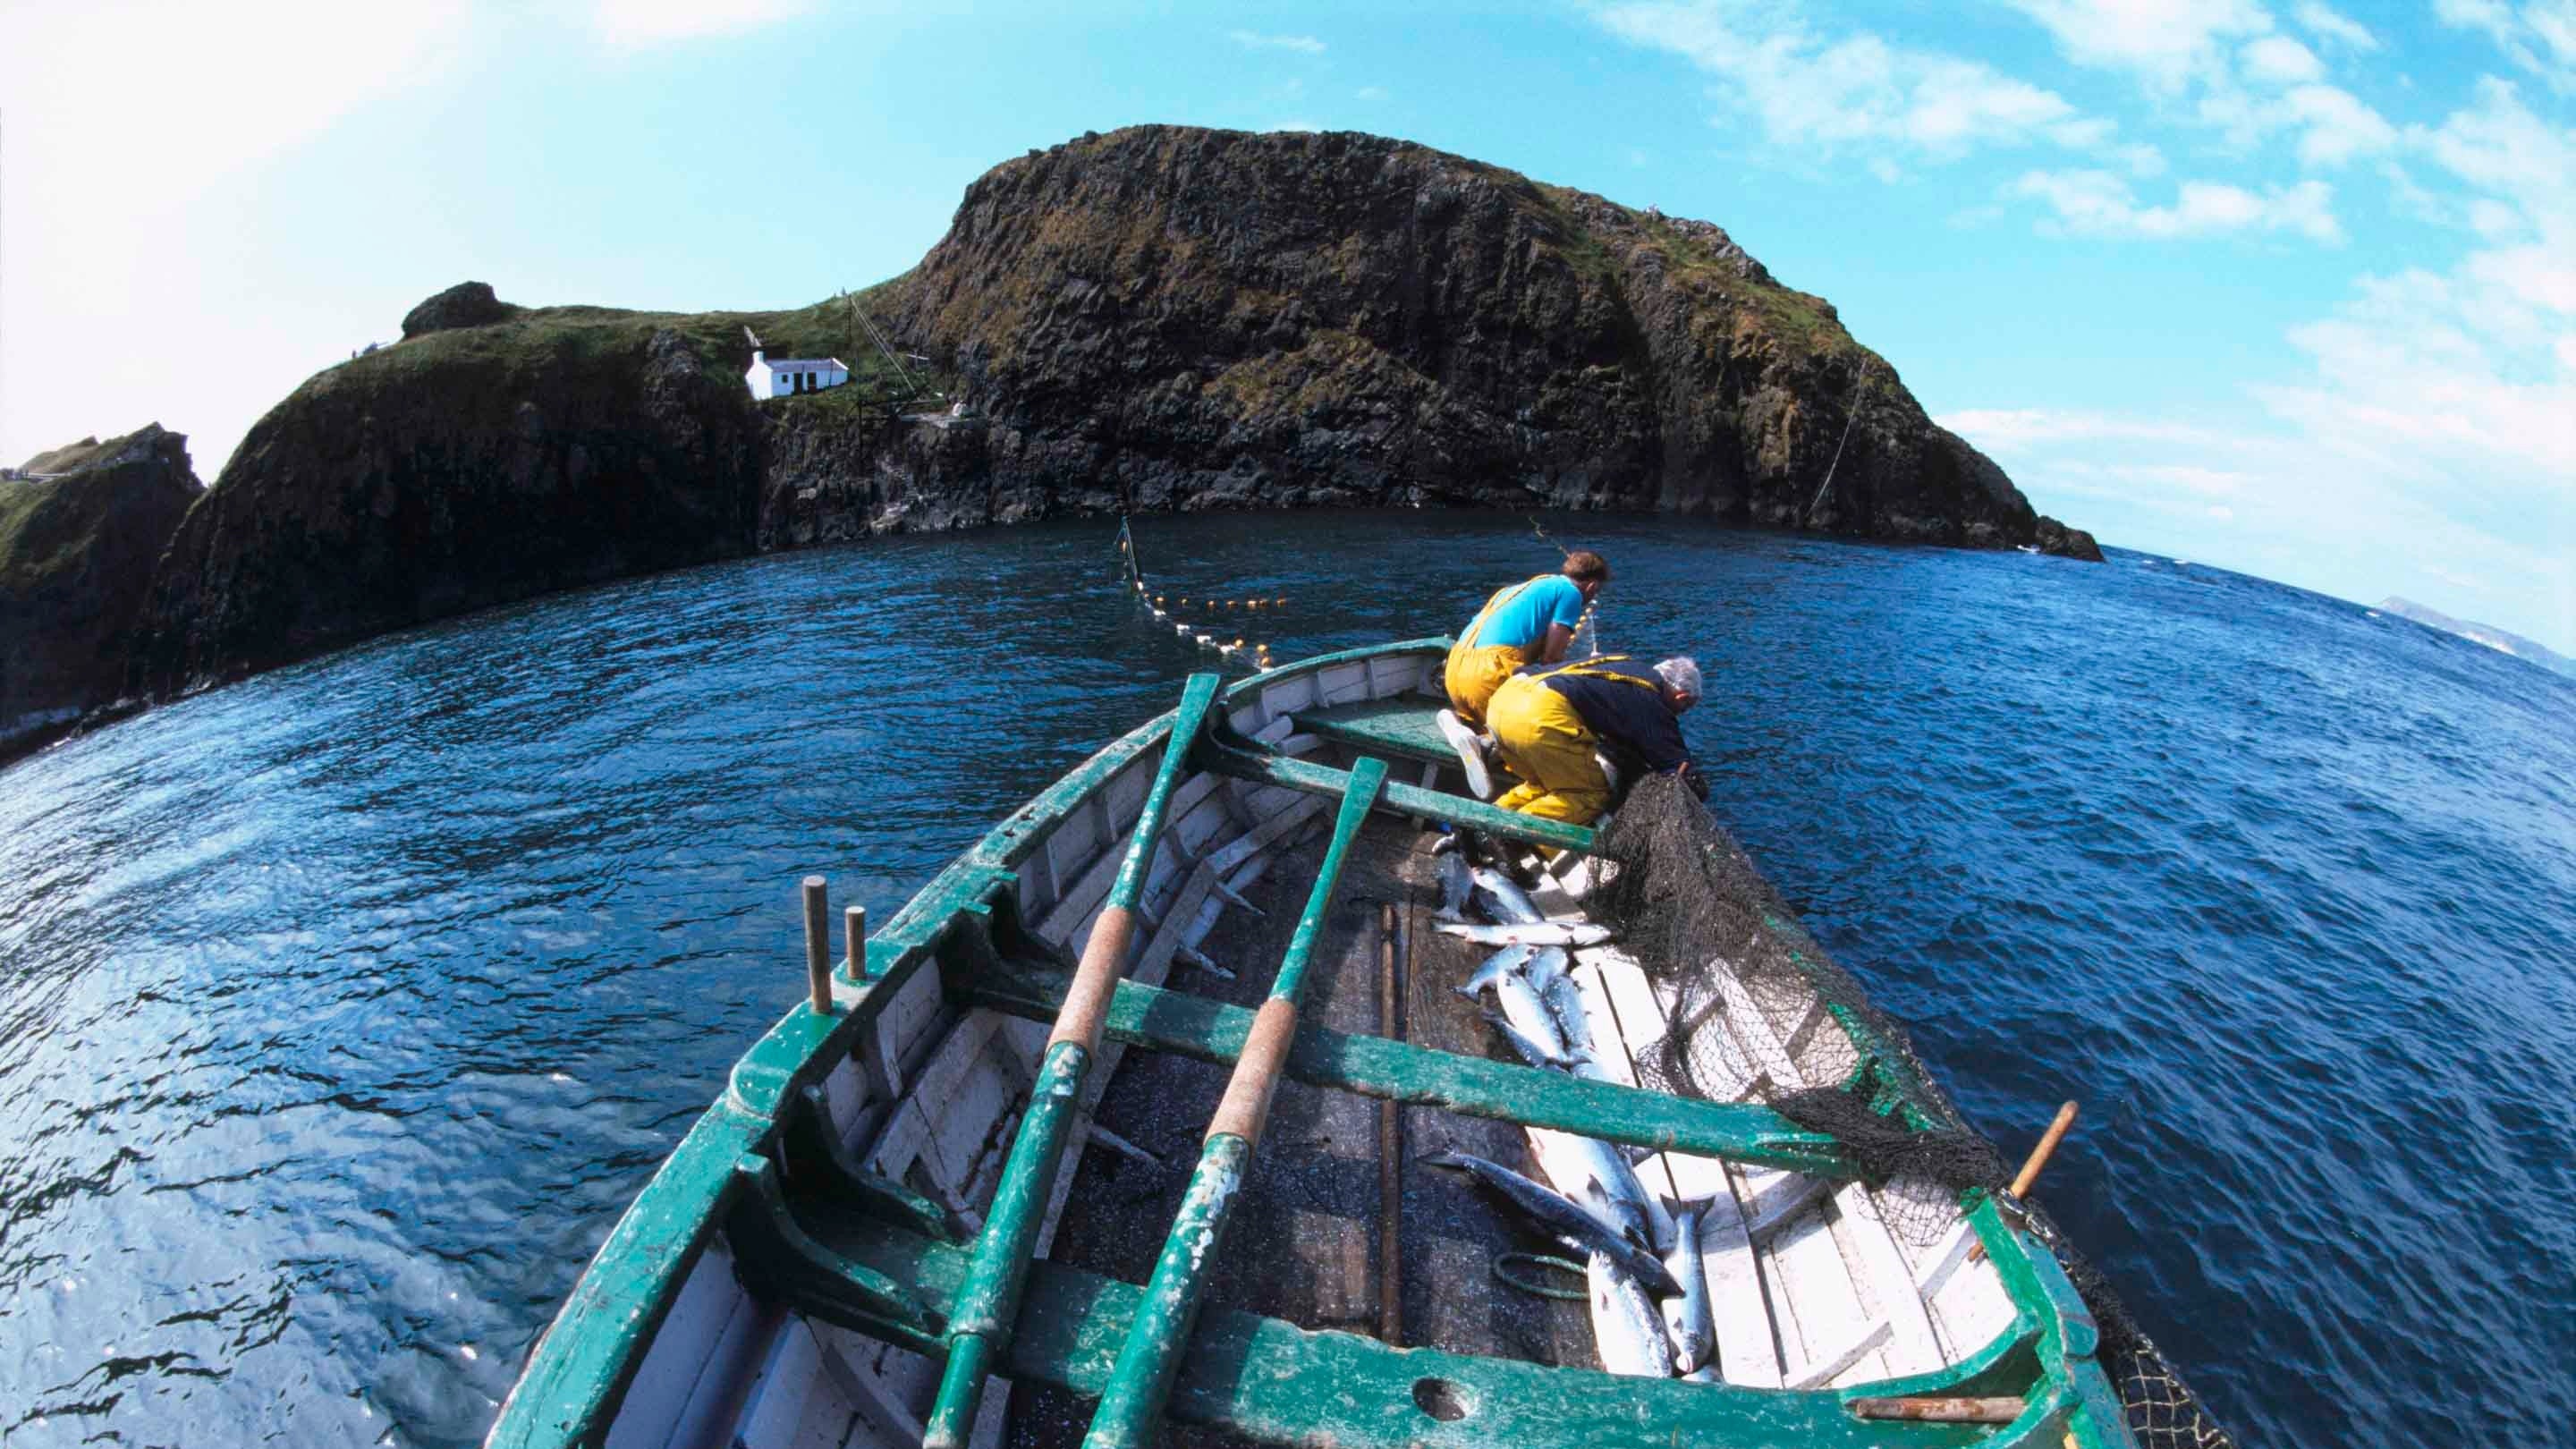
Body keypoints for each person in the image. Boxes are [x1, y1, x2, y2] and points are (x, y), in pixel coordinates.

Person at [1436, 550, 1610, 796]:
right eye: (1597, 591)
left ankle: (1463, 725)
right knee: (1536, 737)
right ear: (1592, 586)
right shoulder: (1571, 594)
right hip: (1487, 676)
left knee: (1498, 713)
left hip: (1455, 670)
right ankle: (1489, 746)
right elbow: (1552, 657)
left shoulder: (1520, 588)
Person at [1485, 653, 1705, 836]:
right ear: (1681, 697)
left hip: (1505, 699)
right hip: (1538, 714)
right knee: (1591, 794)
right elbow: (1675, 763)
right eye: (1683, 709)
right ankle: (1512, 835)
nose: (1679, 715)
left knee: (1542, 783)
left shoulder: (1624, 663)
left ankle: (1486, 822)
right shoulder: (1651, 699)